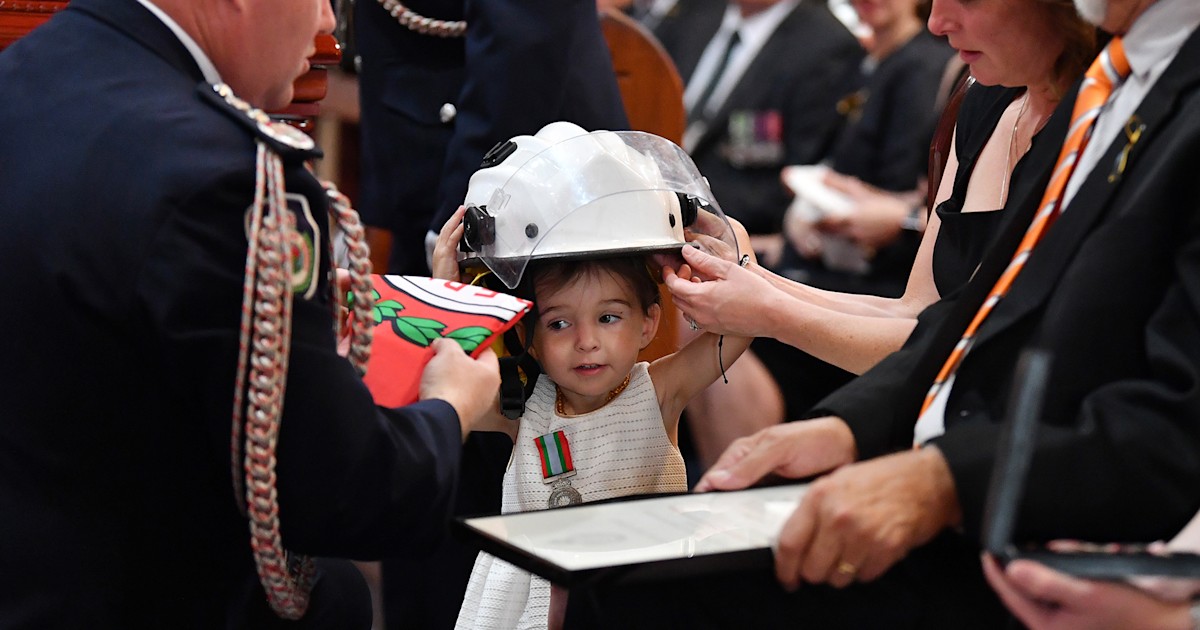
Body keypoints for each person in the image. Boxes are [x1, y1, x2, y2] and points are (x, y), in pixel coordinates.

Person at [562, 0, 1200, 626]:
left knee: (630, 588)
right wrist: (847, 419)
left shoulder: (1111, 93)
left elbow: (1146, 410)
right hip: (959, 450)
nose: (936, 21)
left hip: (1033, 500)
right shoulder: (1032, 95)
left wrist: (938, 477)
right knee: (600, 567)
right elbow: (959, 317)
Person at [0, 0, 502, 626]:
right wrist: (449, 405)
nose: (327, 26)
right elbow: (348, 495)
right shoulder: (223, 179)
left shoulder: (24, 73)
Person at [672, 0, 1096, 466]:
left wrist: (769, 310)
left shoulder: (1100, 128)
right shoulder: (982, 98)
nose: (937, 21)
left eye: (968, 0)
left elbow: (982, 349)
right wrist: (754, 279)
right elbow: (919, 311)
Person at [429, 123, 753, 629]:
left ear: (649, 322)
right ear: (530, 335)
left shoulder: (660, 392)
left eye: (609, 317)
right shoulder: (518, 403)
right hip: (526, 606)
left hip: (628, 602)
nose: (586, 341)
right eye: (559, 323)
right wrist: (449, 297)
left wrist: (736, 252)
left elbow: (739, 328)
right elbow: (447, 376)